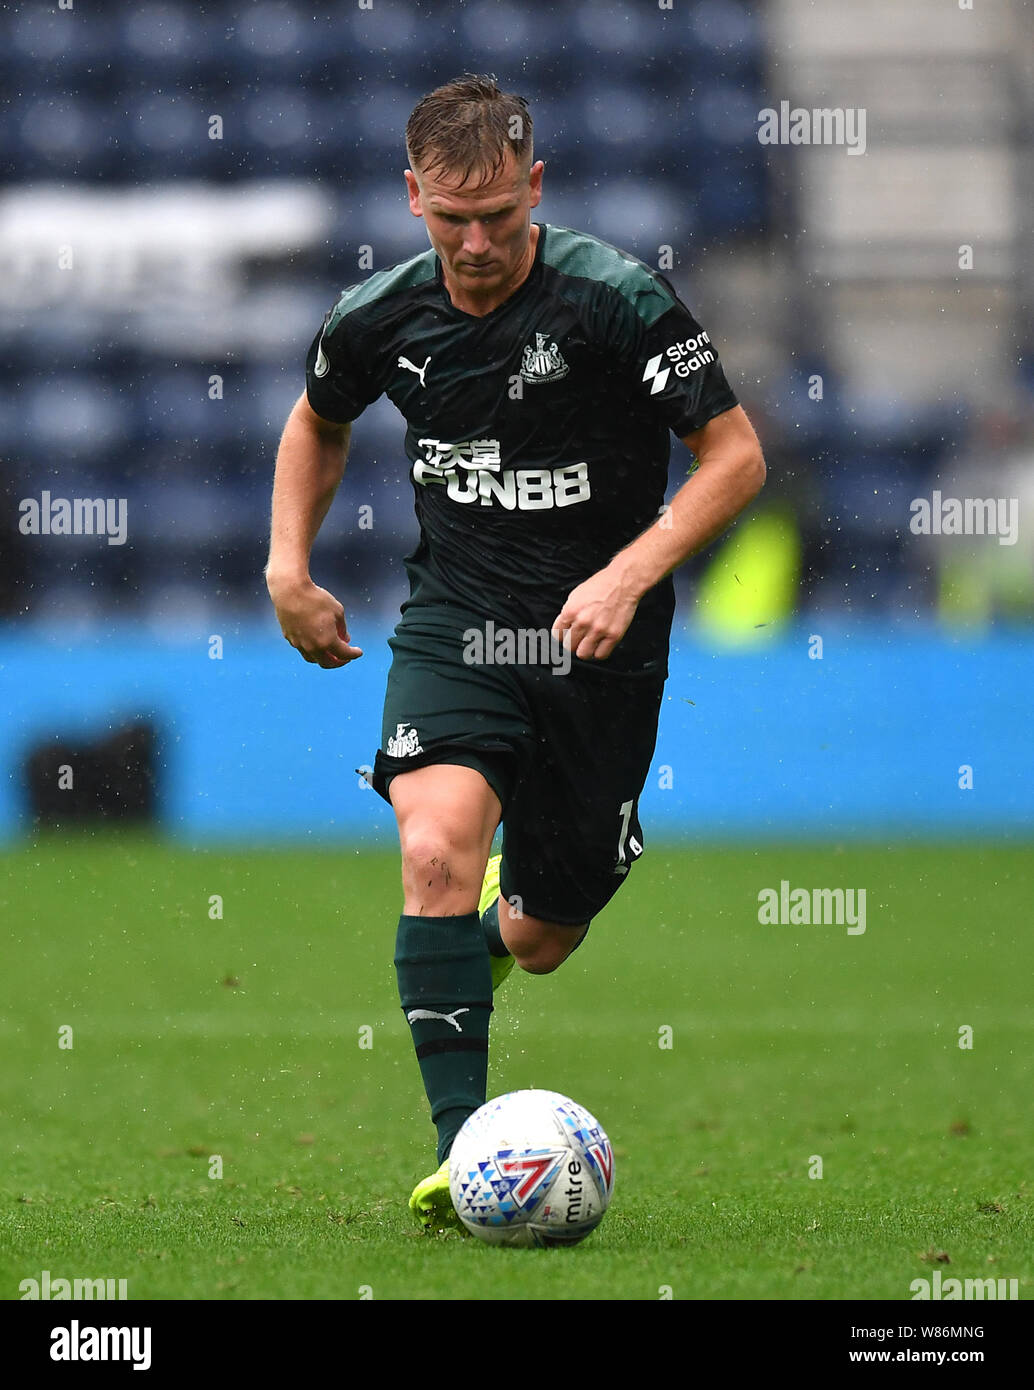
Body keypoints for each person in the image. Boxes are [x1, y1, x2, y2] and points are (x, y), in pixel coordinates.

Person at [265, 74, 766, 1232]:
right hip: (456, 624)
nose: (477, 240)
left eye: (498, 212)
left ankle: (484, 935)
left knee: (541, 937)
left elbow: (733, 456)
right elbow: (317, 418)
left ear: (533, 186)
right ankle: (465, 1158)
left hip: (605, 643)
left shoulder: (617, 301)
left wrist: (630, 569)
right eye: (451, 217)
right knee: (433, 846)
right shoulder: (379, 316)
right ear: (411, 198)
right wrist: (287, 567)